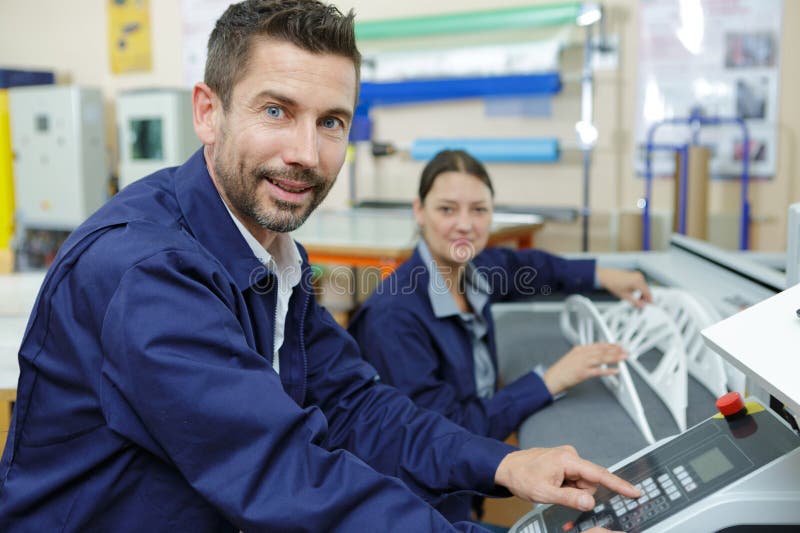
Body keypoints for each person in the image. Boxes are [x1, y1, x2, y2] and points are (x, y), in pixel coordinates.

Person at [0, 2, 639, 531]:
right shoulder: (145, 273)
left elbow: (356, 405)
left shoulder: (273, 254)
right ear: (207, 111)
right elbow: (286, 474)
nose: (305, 153)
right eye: (276, 111)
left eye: (330, 121)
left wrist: (503, 466)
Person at [349, 149, 652, 522]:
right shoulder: (393, 319)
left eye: (479, 210)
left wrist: (601, 274)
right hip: (416, 506)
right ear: (419, 211)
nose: (465, 224)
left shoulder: (476, 270)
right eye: (447, 209)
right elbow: (448, 437)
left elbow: (534, 267)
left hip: (461, 489)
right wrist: (550, 379)